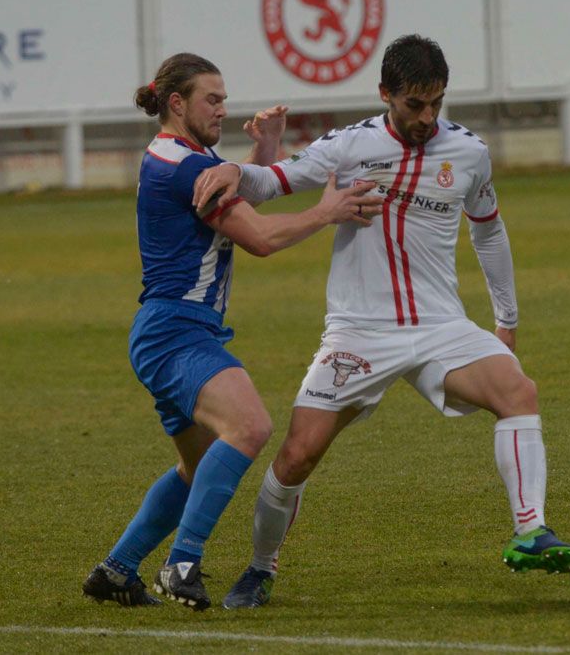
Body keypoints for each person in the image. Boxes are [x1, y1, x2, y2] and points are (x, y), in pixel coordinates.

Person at [191, 35, 570, 610]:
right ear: (385, 95)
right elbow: (277, 180)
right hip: (359, 331)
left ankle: (530, 530)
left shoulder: (469, 153)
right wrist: (233, 172)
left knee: (518, 392)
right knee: (297, 455)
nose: (426, 117)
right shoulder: (350, 145)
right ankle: (259, 569)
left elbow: (488, 230)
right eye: (414, 105)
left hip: (440, 325)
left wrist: (507, 319)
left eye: (436, 104)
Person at [81, 52, 382, 610]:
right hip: (176, 333)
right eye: (211, 100)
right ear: (177, 103)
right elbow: (261, 238)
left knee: (197, 468)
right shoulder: (188, 167)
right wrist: (328, 211)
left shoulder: (183, 155)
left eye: (223, 99)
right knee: (249, 426)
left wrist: (262, 153)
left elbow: (237, 196)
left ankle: (117, 569)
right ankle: (183, 564)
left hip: (169, 330)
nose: (222, 108)